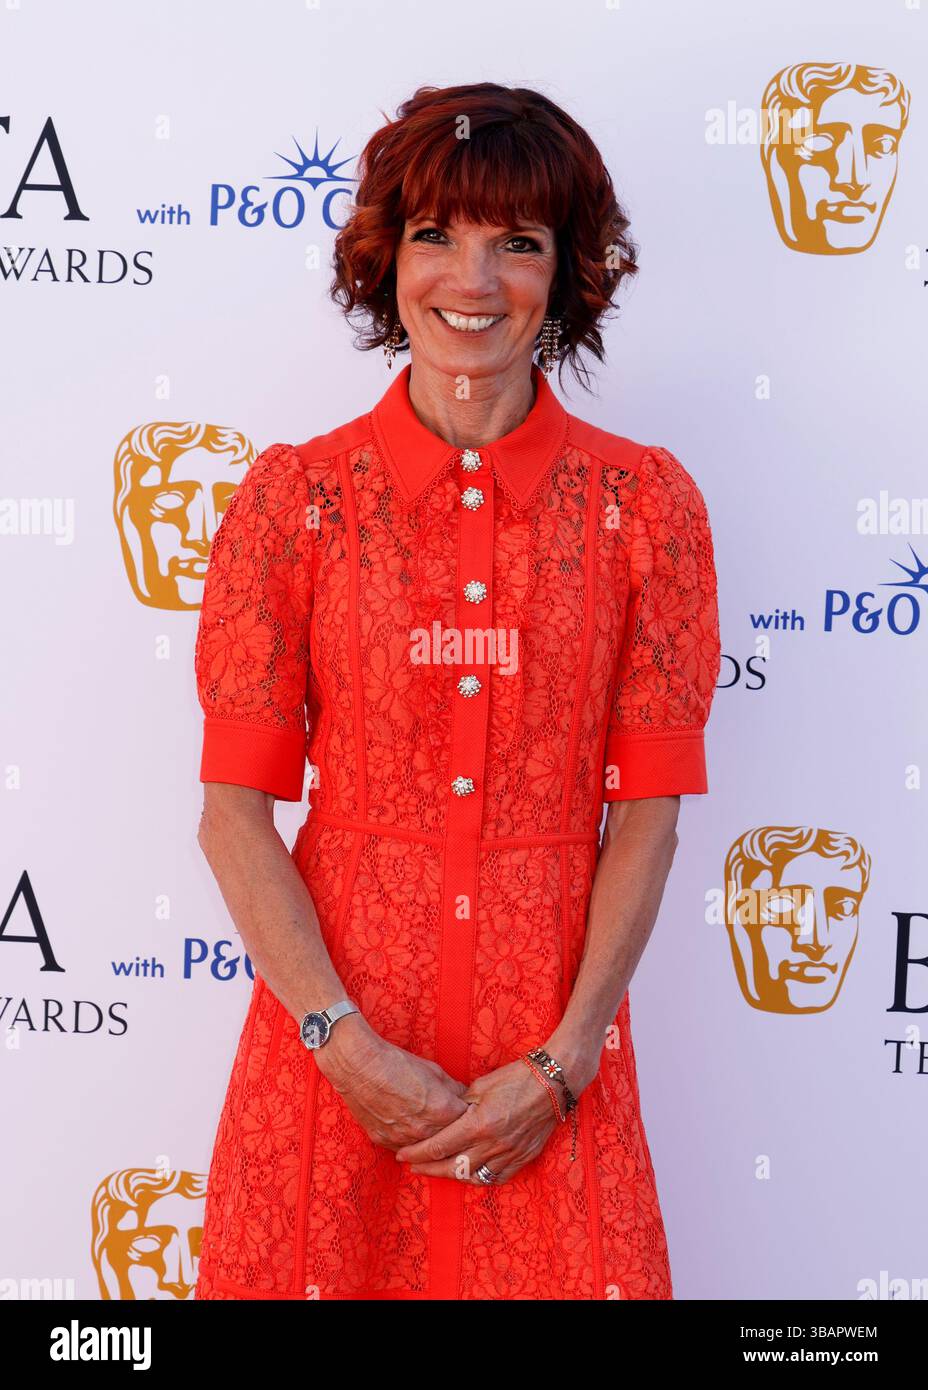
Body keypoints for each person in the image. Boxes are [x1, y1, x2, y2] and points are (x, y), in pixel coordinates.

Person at [192, 81, 721, 1301]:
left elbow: (646, 813)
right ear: (387, 260)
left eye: (516, 244)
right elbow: (233, 815)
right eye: (436, 236)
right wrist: (344, 1044)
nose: (471, 282)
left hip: (543, 1071)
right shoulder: (293, 501)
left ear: (568, 271)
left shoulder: (645, 509)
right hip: (333, 1058)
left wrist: (566, 1059)